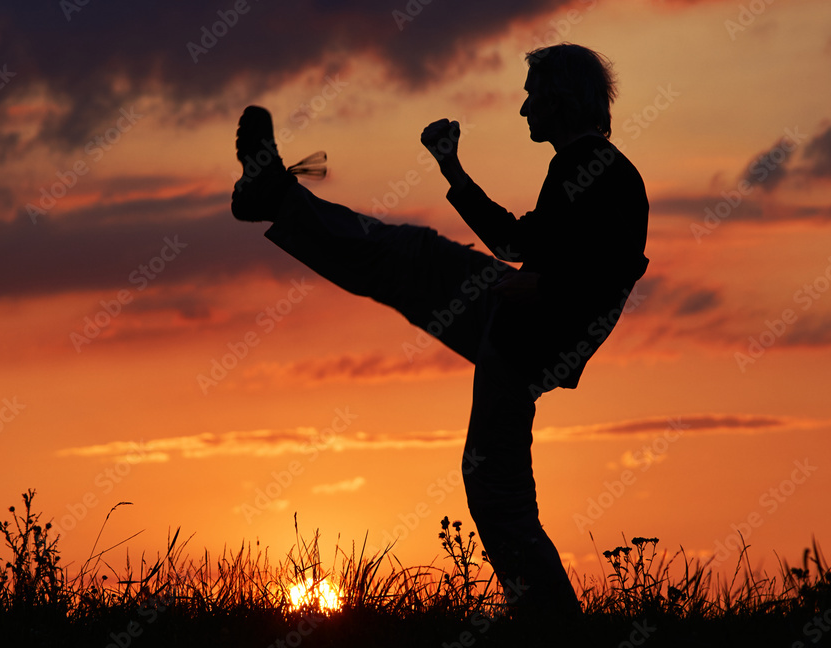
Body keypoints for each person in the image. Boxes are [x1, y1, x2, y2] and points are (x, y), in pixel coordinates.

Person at [230, 43, 649, 617]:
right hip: (519, 322)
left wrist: (550, 291)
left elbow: (612, 266)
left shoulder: (599, 170)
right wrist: (452, 168)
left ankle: (554, 626)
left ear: (559, 98)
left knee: (495, 489)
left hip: (524, 339)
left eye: (531, 96)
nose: (524, 110)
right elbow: (520, 244)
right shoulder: (584, 167)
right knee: (404, 254)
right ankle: (275, 195)